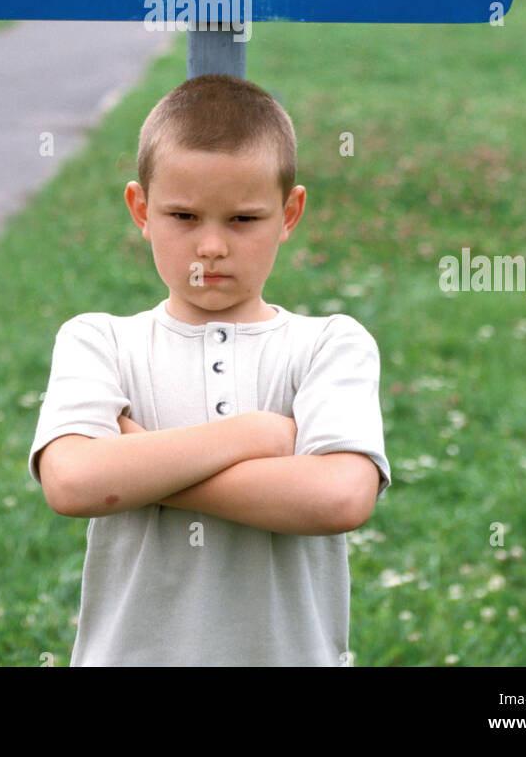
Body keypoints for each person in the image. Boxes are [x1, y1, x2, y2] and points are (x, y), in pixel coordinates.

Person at [27, 72, 391, 667]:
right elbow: (71, 483)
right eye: (184, 217)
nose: (212, 246)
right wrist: (255, 436)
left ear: (290, 213)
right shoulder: (99, 341)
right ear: (141, 210)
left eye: (244, 220)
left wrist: (144, 466)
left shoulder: (328, 344)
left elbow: (339, 499)